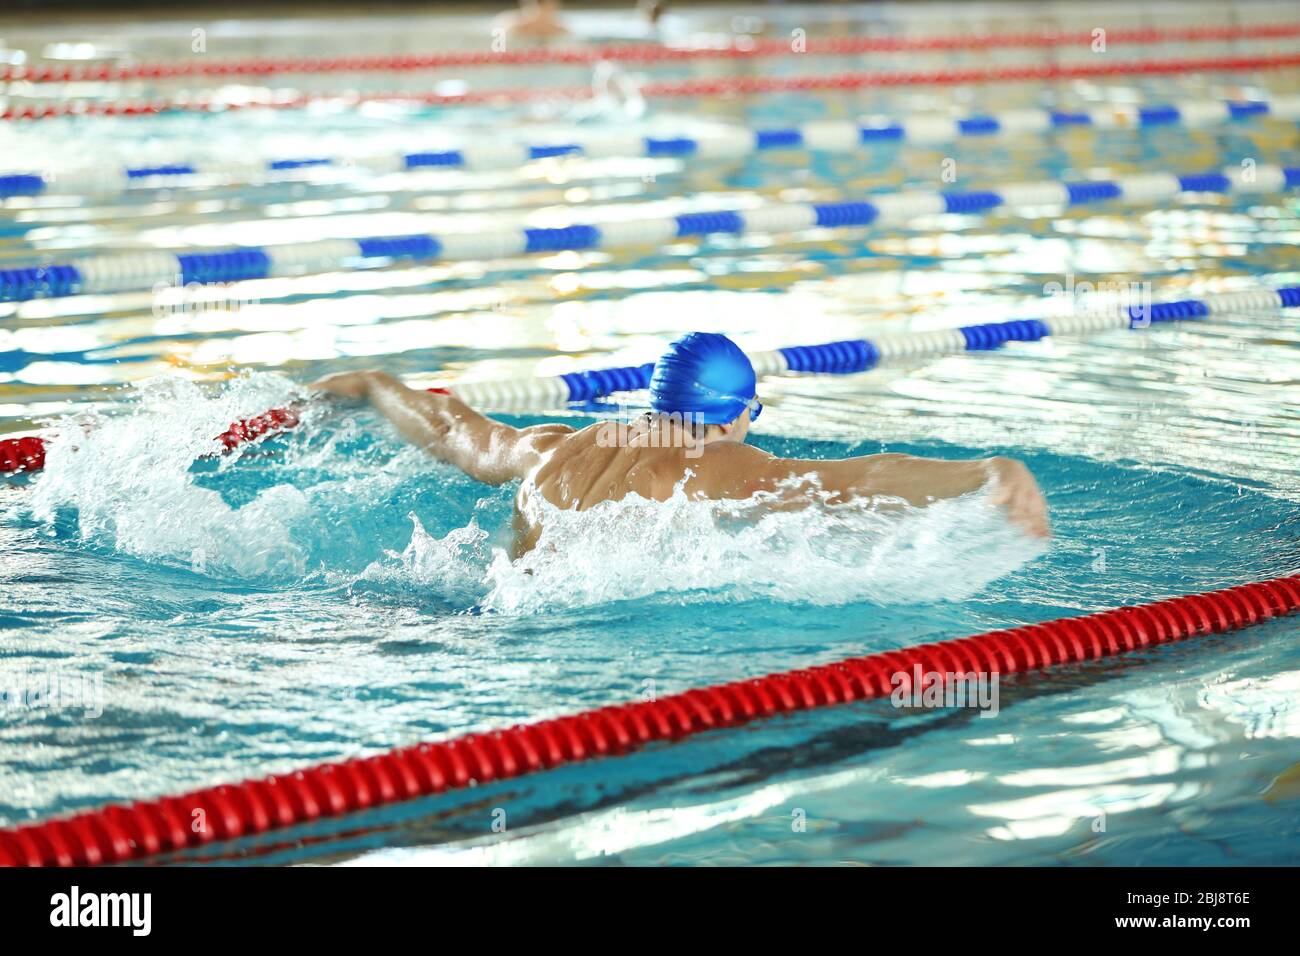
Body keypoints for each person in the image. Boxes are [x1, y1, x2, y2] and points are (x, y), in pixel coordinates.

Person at [311, 332, 1050, 557]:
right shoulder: (725, 465)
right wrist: (987, 471)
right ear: (732, 416)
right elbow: (857, 478)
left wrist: (373, 383)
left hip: (465, 614)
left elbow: (450, 428)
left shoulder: (549, 445)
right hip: (564, 651)